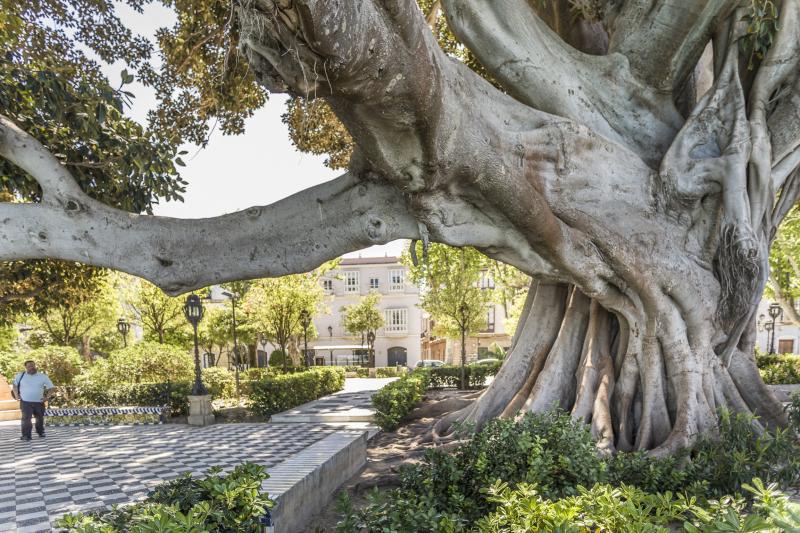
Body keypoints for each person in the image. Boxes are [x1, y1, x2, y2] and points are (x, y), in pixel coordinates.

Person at [11, 360, 54, 441]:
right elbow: (15, 386)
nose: (32, 367)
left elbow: (51, 388)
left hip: (39, 402)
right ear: (26, 367)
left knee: (39, 418)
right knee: (26, 419)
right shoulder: (20, 375)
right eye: (29, 366)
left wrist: (47, 397)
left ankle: (40, 431)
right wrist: (16, 396)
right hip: (25, 402)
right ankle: (26, 436)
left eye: (33, 365)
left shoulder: (42, 376)